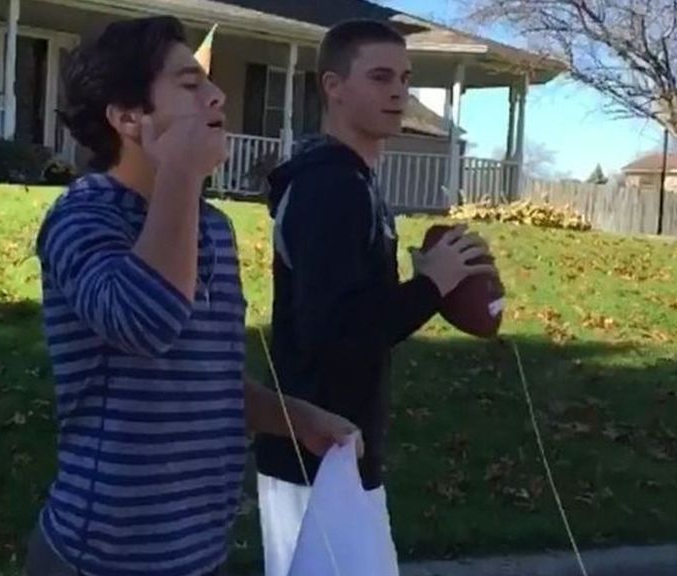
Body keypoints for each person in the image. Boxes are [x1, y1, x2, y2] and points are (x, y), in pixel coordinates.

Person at [25, 16, 362, 576]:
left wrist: (297, 418)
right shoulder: (82, 217)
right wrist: (181, 171)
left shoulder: (213, 229)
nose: (217, 93)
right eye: (189, 84)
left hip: (199, 555)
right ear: (128, 117)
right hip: (101, 559)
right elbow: (147, 320)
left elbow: (206, 382)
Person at [253, 19, 496, 576]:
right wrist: (432, 284)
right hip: (316, 458)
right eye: (381, 76)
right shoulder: (329, 187)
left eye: (405, 79)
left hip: (342, 449)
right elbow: (335, 332)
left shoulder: (352, 180)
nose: (398, 92)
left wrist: (419, 286)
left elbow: (352, 312)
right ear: (333, 86)